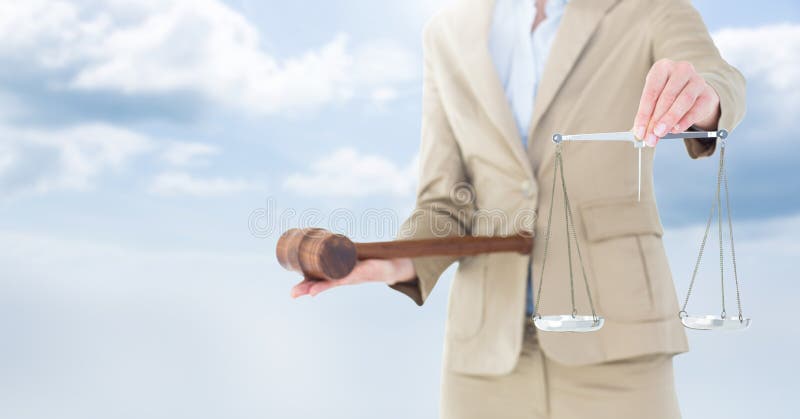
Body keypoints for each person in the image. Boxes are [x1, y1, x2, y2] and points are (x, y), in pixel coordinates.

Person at [291, 0, 746, 417]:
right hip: (484, 356)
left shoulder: (648, 8)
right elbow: (445, 201)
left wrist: (705, 98)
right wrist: (400, 261)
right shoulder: (446, 31)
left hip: (617, 340)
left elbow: (719, 77)